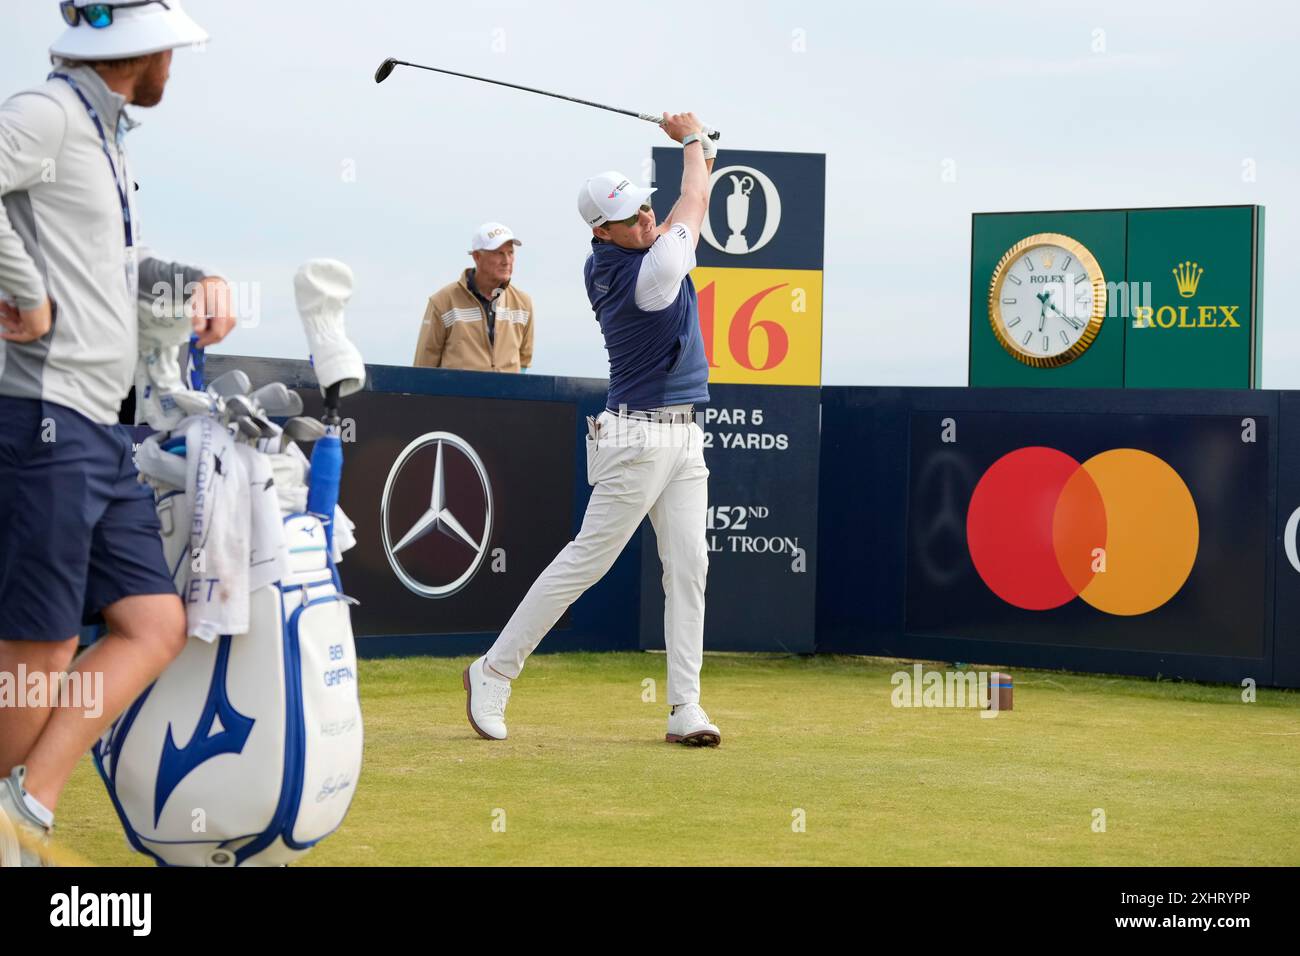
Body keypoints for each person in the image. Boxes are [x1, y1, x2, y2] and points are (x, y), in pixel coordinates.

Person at [0, 0, 235, 865]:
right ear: (142, 51)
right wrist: (25, 291)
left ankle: (24, 806)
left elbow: (117, 271)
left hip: (101, 428)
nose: (175, 60)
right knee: (43, 647)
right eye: (169, 45)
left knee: (154, 622)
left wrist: (195, 280)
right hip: (45, 419)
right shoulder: (49, 113)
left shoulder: (104, 136)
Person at [464, 113, 721, 746]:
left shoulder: (629, 252)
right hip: (637, 440)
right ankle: (493, 670)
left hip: (683, 436)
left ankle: (685, 708)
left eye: (645, 207)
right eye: (630, 217)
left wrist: (704, 152)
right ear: (601, 230)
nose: (646, 218)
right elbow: (693, 200)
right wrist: (691, 141)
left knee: (689, 566)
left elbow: (684, 202)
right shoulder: (649, 274)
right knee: (587, 561)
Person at [413, 222, 535, 373]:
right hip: (457, 389)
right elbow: (424, 365)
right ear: (477, 257)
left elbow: (524, 362)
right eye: (499, 253)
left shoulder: (523, 303)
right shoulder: (442, 302)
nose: (506, 261)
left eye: (510, 253)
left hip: (507, 390)